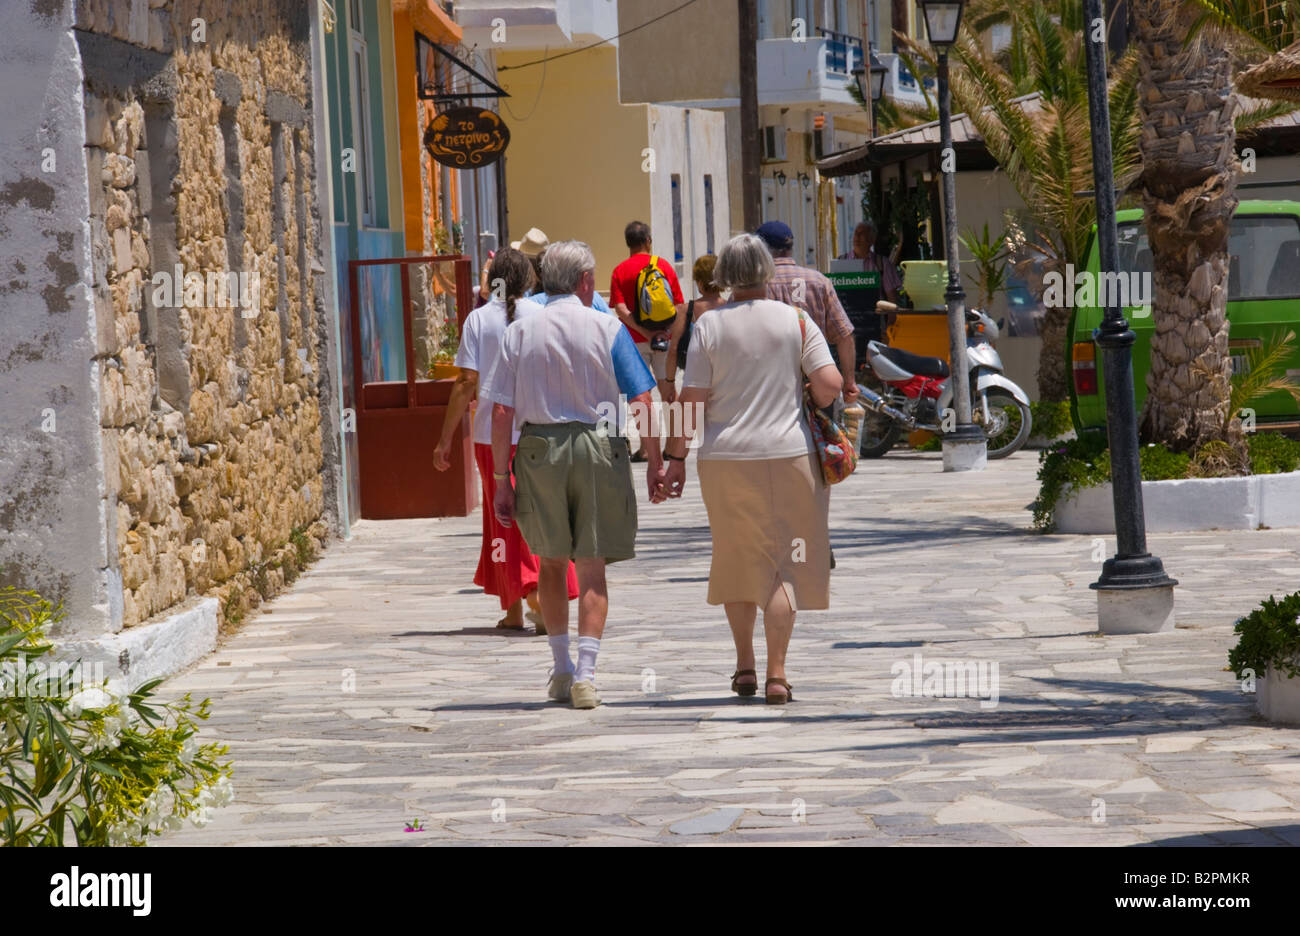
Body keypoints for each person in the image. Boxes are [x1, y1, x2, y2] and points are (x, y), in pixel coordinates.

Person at [660, 234, 842, 705]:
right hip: (790, 456)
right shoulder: (795, 320)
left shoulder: (708, 327)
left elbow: (691, 400)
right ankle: (777, 675)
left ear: (724, 275)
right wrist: (804, 394)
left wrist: (674, 458)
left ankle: (744, 666)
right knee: (784, 565)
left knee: (737, 557)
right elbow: (829, 383)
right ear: (765, 270)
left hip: (725, 460)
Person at [486, 240, 667, 710]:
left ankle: (561, 667)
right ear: (586, 281)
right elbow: (642, 401)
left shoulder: (519, 330)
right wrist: (656, 462)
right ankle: (587, 675)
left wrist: (502, 479)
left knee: (550, 560)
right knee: (591, 566)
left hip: (538, 449)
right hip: (598, 447)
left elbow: (502, 410)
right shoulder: (607, 327)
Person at [434, 248, 579, 631]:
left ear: (493, 280)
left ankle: (522, 602)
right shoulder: (544, 316)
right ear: (529, 279)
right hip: (539, 431)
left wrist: (445, 439)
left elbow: (466, 382)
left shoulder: (478, 320)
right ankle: (534, 598)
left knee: (501, 523)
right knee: (542, 515)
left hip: (490, 437)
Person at [757, 221, 859, 405]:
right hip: (819, 383)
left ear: (761, 250)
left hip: (773, 388)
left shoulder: (756, 285)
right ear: (791, 247)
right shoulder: (819, 280)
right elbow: (844, 335)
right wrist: (849, 381)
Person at [609, 221, 686, 460]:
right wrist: (663, 334)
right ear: (648, 241)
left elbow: (620, 309)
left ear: (627, 243)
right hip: (663, 340)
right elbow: (679, 306)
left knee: (640, 395)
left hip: (633, 341)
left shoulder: (620, 271)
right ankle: (673, 446)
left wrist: (643, 332)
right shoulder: (663, 266)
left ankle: (645, 448)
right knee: (669, 392)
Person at [662, 255, 725, 403]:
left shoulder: (687, 310)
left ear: (700, 282)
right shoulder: (730, 306)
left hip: (695, 382)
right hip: (724, 382)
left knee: (691, 425)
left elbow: (673, 350)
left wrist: (670, 382)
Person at [839, 220, 902, 304]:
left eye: (861, 233)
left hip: (876, 315)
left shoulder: (882, 264)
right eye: (856, 233)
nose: (857, 236)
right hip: (848, 315)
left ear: (872, 239)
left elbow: (892, 299)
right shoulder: (841, 262)